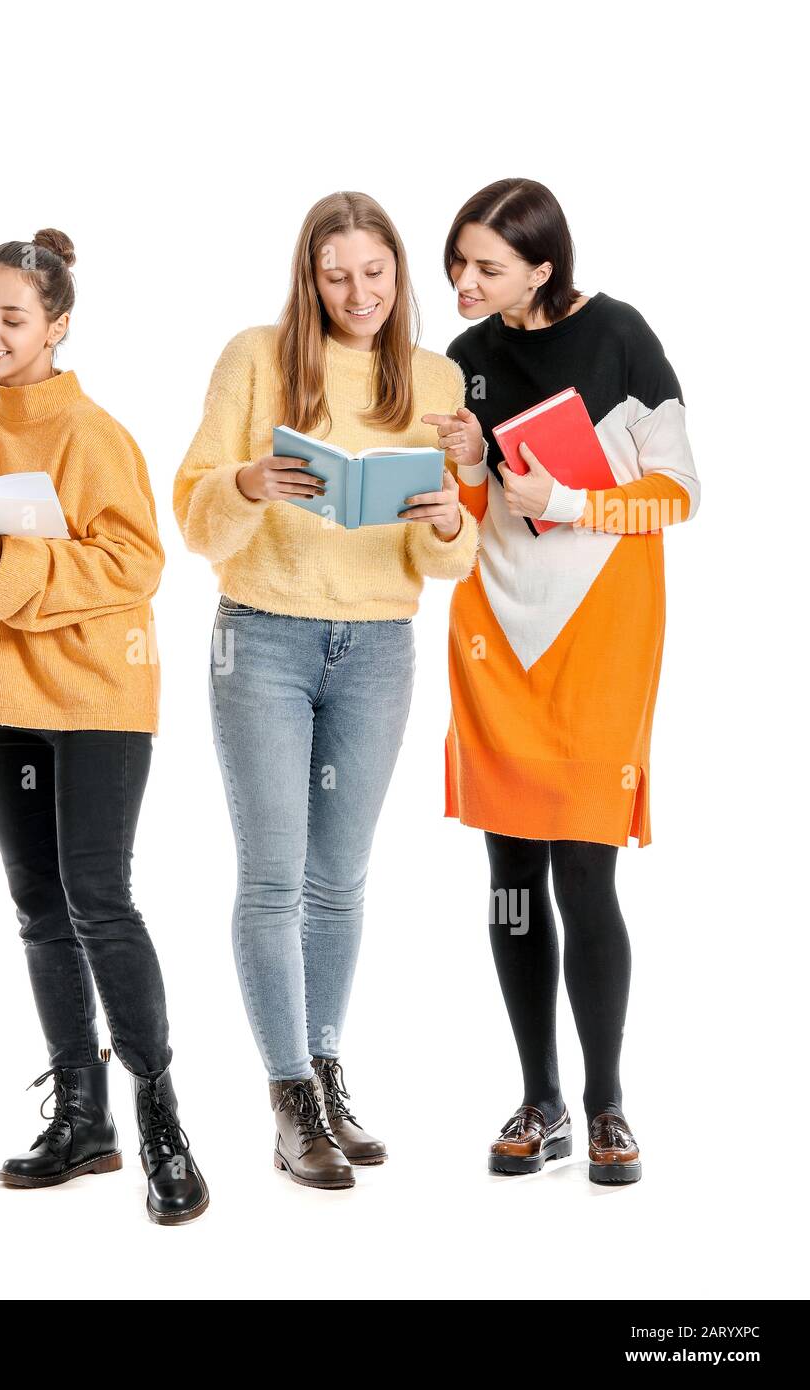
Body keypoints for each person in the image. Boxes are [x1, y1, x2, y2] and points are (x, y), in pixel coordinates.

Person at [174, 191, 478, 1189]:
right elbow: (192, 506)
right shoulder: (255, 357)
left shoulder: (433, 380)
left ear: (399, 276)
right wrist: (248, 485)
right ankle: (288, 1095)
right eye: (337, 274)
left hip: (378, 647)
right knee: (272, 875)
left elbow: (451, 558)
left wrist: (442, 519)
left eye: (376, 274)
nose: (358, 293)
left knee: (338, 880)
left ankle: (328, 1066)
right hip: (262, 636)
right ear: (309, 278)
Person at [0, 229, 208, 1225]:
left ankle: (161, 1114)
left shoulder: (96, 434)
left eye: (12, 317)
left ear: (57, 325)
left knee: (99, 898)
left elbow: (137, 566)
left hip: (97, 695)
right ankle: (79, 1113)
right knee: (38, 904)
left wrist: (4, 552)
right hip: (7, 695)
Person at [435, 178, 700, 1185]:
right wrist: (462, 464)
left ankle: (606, 1105)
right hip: (492, 632)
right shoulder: (461, 362)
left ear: (543, 269)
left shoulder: (621, 337)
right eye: (456, 262)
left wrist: (574, 497)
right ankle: (537, 1098)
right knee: (509, 882)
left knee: (585, 876)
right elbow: (461, 522)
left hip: (600, 635)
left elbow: (679, 493)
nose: (462, 282)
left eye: (486, 267)